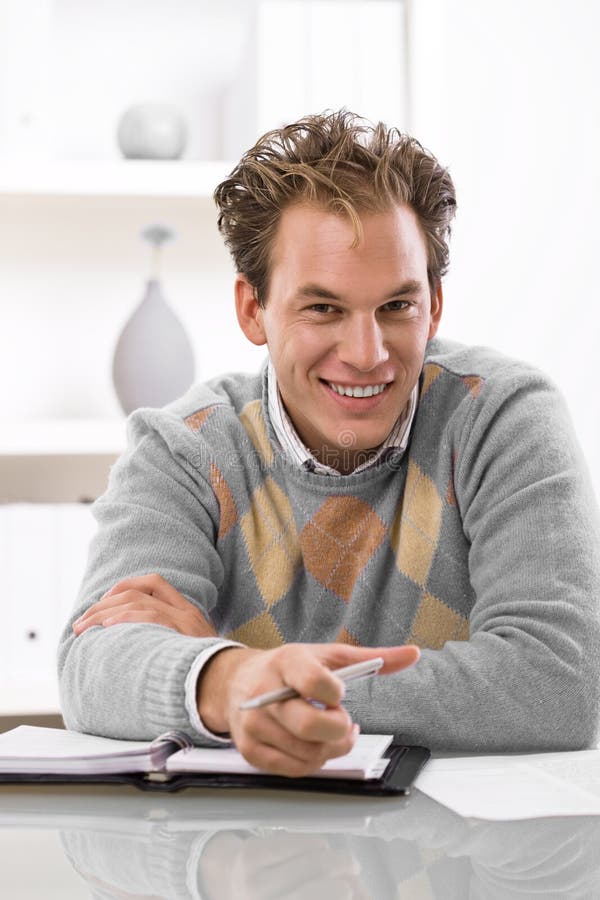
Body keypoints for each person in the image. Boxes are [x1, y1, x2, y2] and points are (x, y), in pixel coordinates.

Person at [59, 110, 600, 776]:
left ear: (434, 303)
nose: (367, 354)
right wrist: (228, 682)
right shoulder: (185, 446)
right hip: (250, 860)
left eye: (397, 306)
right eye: (324, 309)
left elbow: (558, 684)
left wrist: (250, 682)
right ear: (252, 310)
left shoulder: (503, 419)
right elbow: (92, 664)